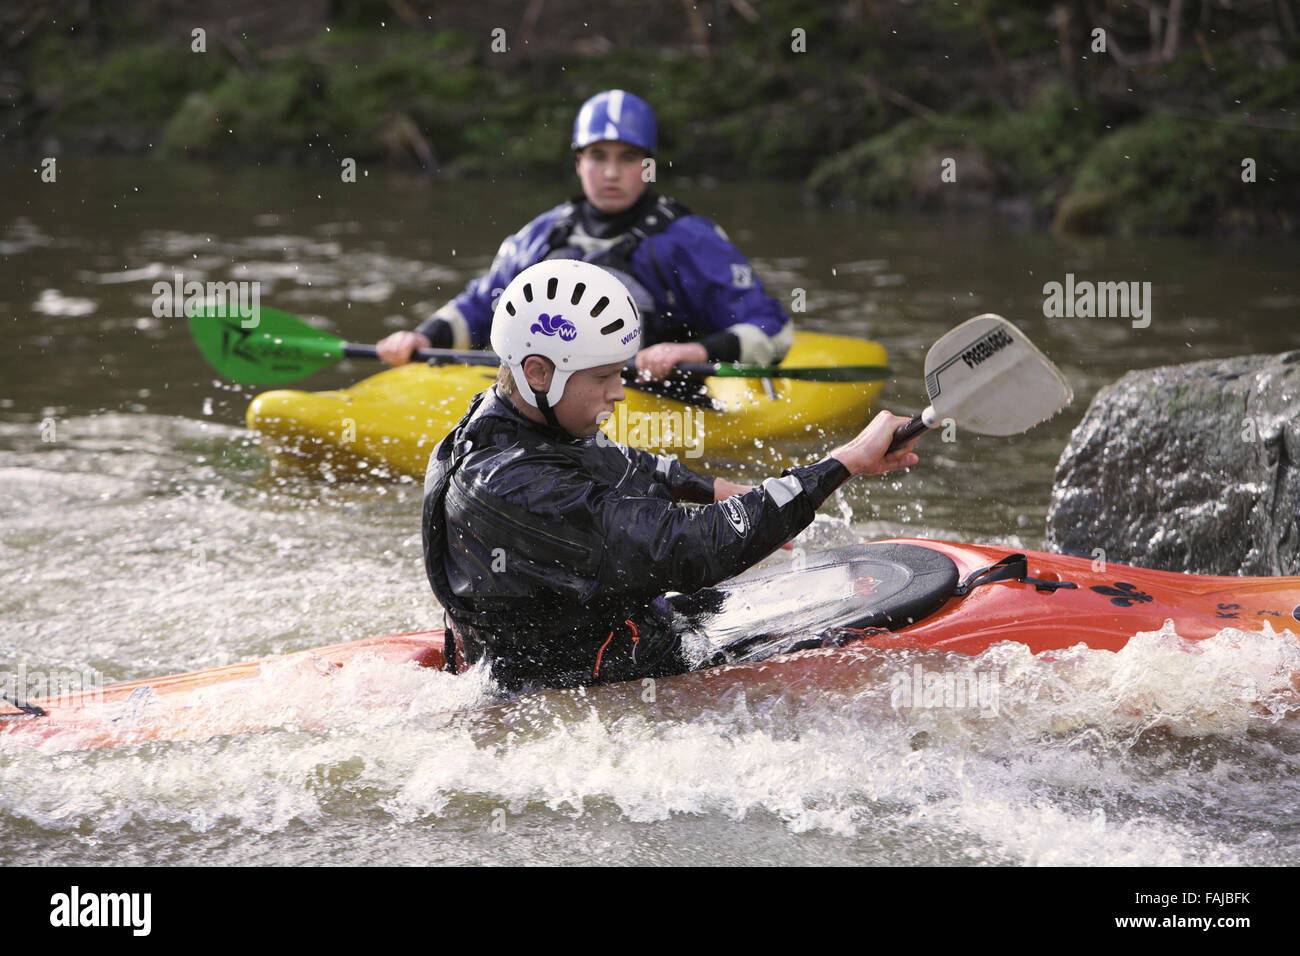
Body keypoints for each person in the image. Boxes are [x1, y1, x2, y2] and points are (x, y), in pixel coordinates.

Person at [422, 259, 919, 693]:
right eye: (603, 377)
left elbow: (618, 461)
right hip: (579, 701)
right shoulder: (513, 489)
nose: (619, 393)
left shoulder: (507, 420)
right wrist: (845, 461)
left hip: (582, 655)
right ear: (537, 373)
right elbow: (690, 549)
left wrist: (714, 489)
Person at [381, 89, 793, 381]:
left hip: (652, 399)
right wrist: (422, 335)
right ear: (579, 162)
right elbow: (482, 306)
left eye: (627, 158)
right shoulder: (544, 233)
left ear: (647, 166)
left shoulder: (689, 240)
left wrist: (694, 352)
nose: (611, 172)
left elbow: (772, 328)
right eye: (598, 156)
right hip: (544, 397)